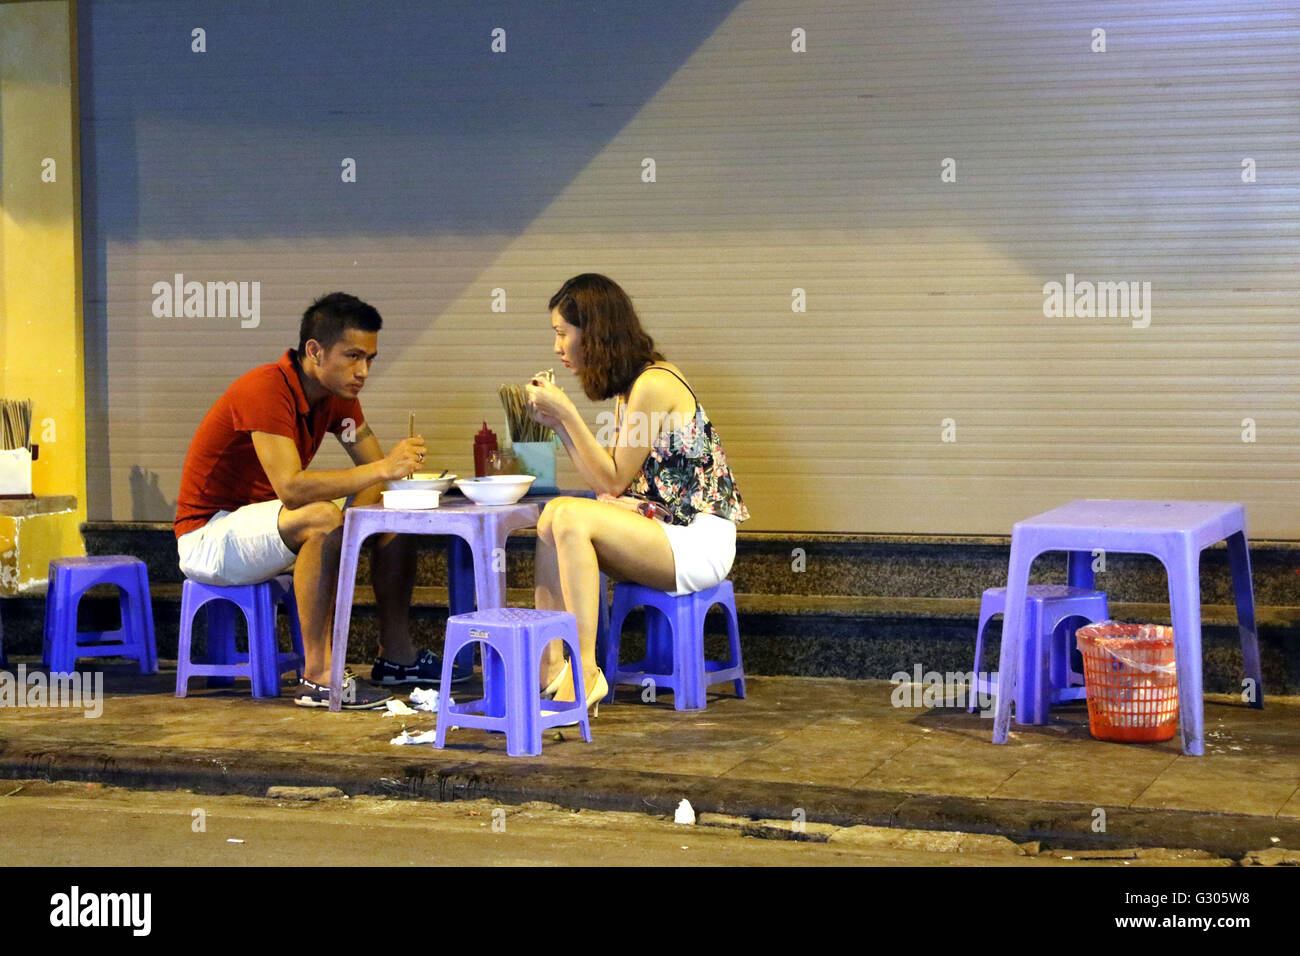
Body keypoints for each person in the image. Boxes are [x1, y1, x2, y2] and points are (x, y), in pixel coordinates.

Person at [174, 292, 437, 708]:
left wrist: (372, 511)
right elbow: (292, 489)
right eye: (353, 356)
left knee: (392, 512)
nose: (363, 371)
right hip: (208, 535)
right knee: (320, 517)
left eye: (369, 358)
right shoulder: (265, 389)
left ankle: (398, 656)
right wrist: (381, 474)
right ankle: (318, 679)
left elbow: (376, 472)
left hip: (266, 527)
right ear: (314, 351)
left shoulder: (337, 398)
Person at [525, 274, 749, 716]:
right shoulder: (629, 392)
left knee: (569, 516)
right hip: (666, 531)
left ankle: (586, 669)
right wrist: (558, 425)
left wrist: (567, 413)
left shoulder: (654, 383)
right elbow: (608, 481)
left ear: (593, 332)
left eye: (562, 334)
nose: (558, 348)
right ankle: (550, 670)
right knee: (552, 517)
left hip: (699, 540)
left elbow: (610, 482)